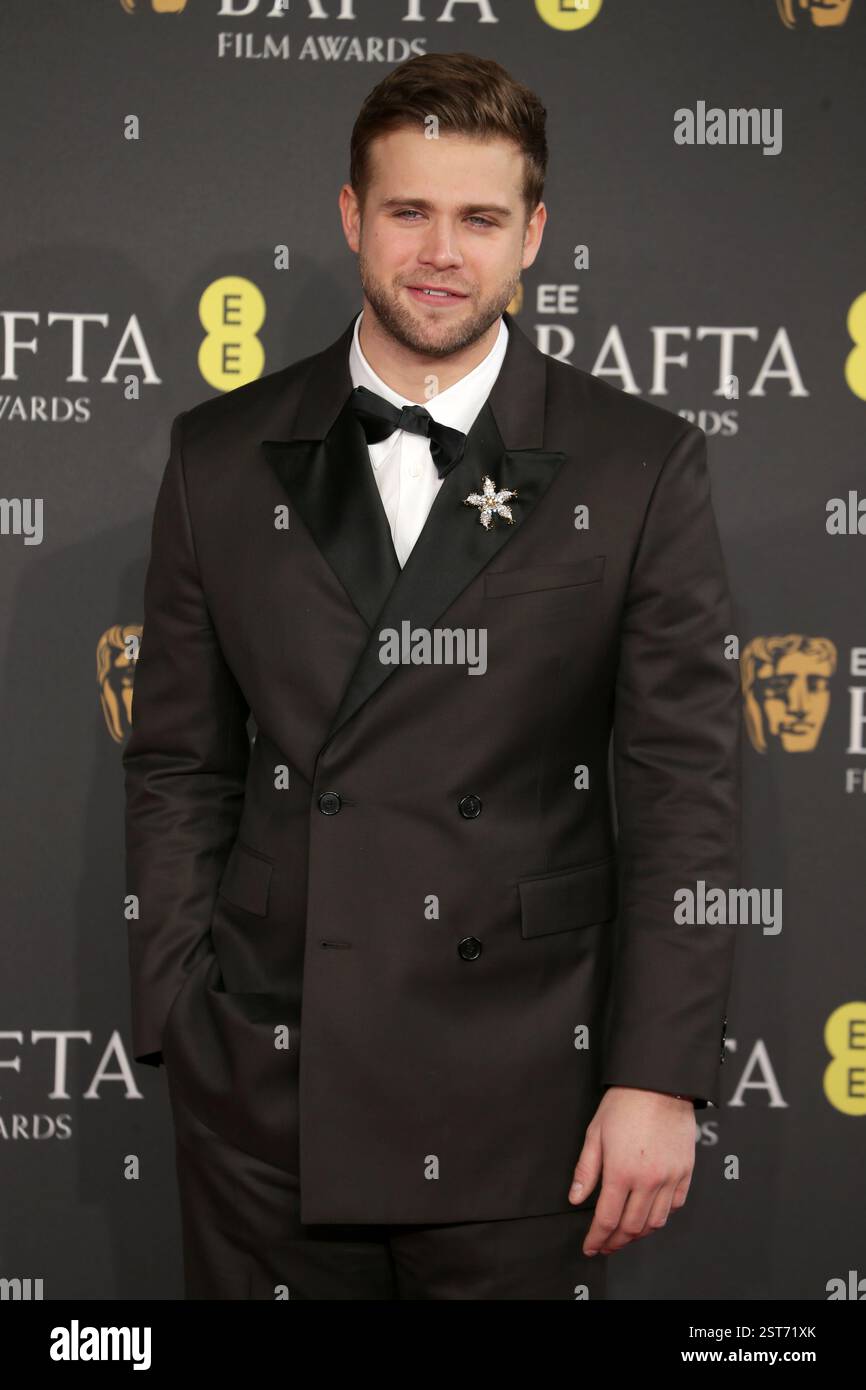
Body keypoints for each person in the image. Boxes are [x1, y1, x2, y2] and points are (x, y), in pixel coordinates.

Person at [123, 51, 741, 1301]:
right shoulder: (218, 457)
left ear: (533, 237)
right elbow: (181, 763)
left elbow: (682, 784)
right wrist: (185, 1017)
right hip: (272, 1087)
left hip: (525, 1089)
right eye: (407, 211)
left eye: (478, 218)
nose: (439, 252)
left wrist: (659, 1071)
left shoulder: (636, 464)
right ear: (351, 216)